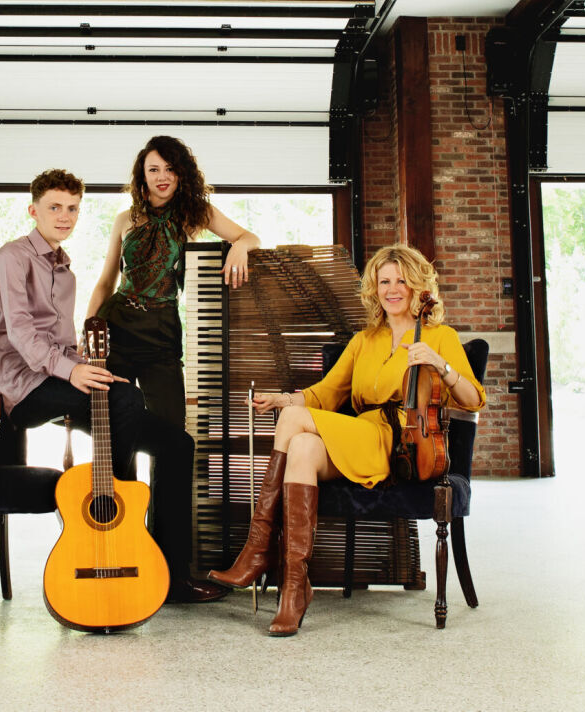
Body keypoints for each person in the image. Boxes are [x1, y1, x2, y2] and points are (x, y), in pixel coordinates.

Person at [208, 243, 485, 635]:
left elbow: (473, 401)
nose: (392, 289)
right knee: (302, 445)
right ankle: (294, 588)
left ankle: (257, 548)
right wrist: (282, 399)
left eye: (401, 281)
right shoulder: (364, 340)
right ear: (375, 288)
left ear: (417, 286)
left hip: (400, 443)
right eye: (384, 281)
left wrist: (441, 366)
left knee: (295, 425)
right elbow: (324, 393)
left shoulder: (440, 336)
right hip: (361, 435)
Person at [0, 168, 228, 605]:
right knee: (128, 398)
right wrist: (72, 370)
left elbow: (65, 341)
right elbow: (20, 334)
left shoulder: (66, 271)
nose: (64, 216)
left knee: (178, 444)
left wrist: (86, 366)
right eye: (54, 207)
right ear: (32, 210)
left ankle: (172, 577)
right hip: (23, 389)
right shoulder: (12, 259)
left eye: (73, 208)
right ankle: (110, 523)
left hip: (61, 376)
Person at [84, 135, 259, 430]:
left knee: (172, 428)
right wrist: (88, 334)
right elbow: (105, 282)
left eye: (169, 168)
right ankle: (119, 479)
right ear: (143, 175)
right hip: (116, 327)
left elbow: (249, 237)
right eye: (153, 170)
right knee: (114, 425)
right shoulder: (125, 219)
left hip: (162, 330)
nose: (162, 177)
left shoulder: (196, 213)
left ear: (181, 173)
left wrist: (239, 248)